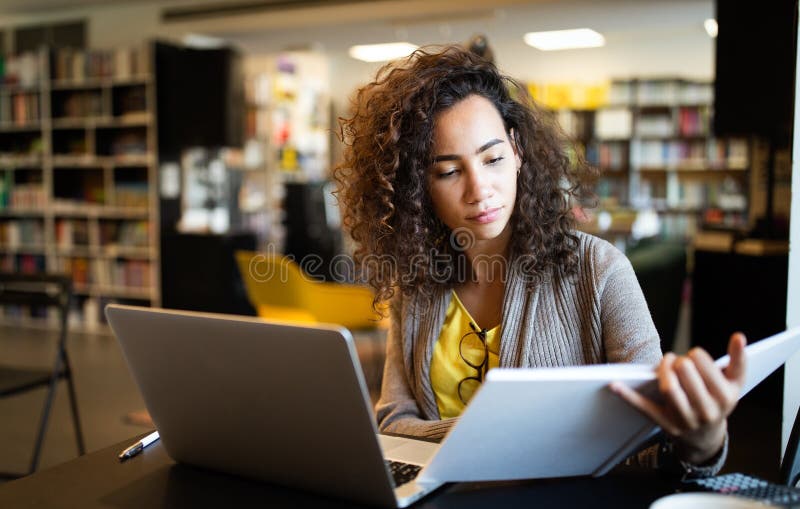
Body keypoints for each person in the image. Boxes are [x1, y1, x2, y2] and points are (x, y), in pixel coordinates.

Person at [333, 45, 746, 477]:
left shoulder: (600, 270)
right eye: (449, 171)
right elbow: (393, 425)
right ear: (418, 186)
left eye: (492, 158)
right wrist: (537, 436)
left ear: (517, 152)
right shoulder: (415, 284)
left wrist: (702, 443)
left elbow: (647, 441)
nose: (480, 190)